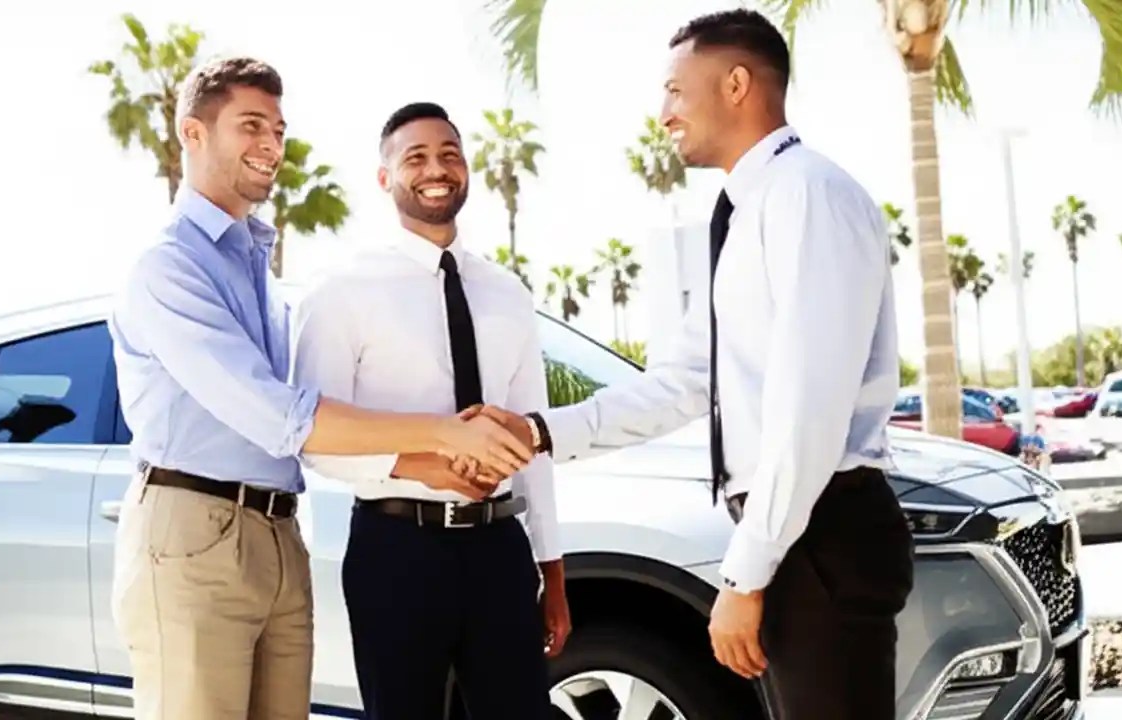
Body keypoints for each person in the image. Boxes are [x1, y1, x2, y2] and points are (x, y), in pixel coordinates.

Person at [479, 10, 914, 720]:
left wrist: (745, 575)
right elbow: (682, 382)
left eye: (676, 91)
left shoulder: (807, 196)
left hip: (821, 536)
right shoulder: (746, 212)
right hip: (792, 537)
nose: (664, 114)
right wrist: (539, 432)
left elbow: (808, 410)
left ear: (737, 83)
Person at [107, 60, 533, 720]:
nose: (271, 146)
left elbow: (311, 430)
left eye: (278, 129)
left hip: (278, 531)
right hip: (192, 529)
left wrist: (423, 466)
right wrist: (444, 433)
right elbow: (282, 416)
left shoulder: (254, 266)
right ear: (192, 134)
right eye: (251, 126)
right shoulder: (167, 267)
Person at [289, 101, 570, 720]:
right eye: (415, 157)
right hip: (396, 551)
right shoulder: (341, 292)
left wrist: (552, 567)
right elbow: (313, 440)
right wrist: (419, 463)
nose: (436, 169)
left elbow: (534, 439)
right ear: (385, 178)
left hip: (499, 548)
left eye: (449, 153)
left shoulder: (508, 293)